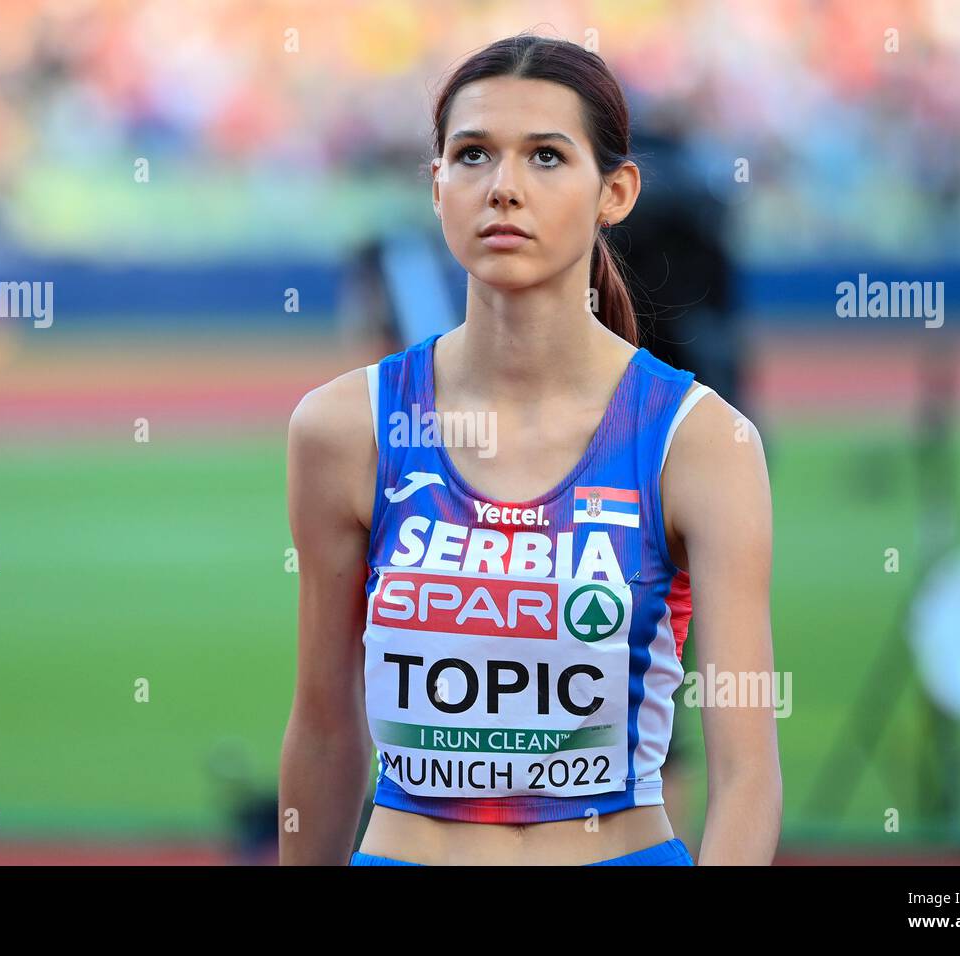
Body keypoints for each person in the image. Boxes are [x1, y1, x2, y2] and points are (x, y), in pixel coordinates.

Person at [280, 34, 779, 866]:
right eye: (472, 155)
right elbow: (326, 734)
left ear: (614, 192)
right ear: (436, 185)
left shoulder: (699, 441)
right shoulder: (344, 428)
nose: (504, 188)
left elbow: (747, 775)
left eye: (546, 156)